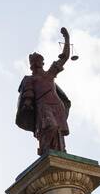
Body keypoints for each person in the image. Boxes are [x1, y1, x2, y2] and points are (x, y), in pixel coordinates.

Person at [18, 27, 72, 155]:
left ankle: (58, 154)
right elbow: (27, 96)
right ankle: (44, 151)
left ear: (42, 63)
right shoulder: (29, 79)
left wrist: (67, 39)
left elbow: (64, 58)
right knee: (50, 127)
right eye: (33, 62)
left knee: (58, 133)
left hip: (56, 105)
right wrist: (27, 104)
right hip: (43, 106)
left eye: (37, 61)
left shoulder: (50, 74)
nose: (35, 64)